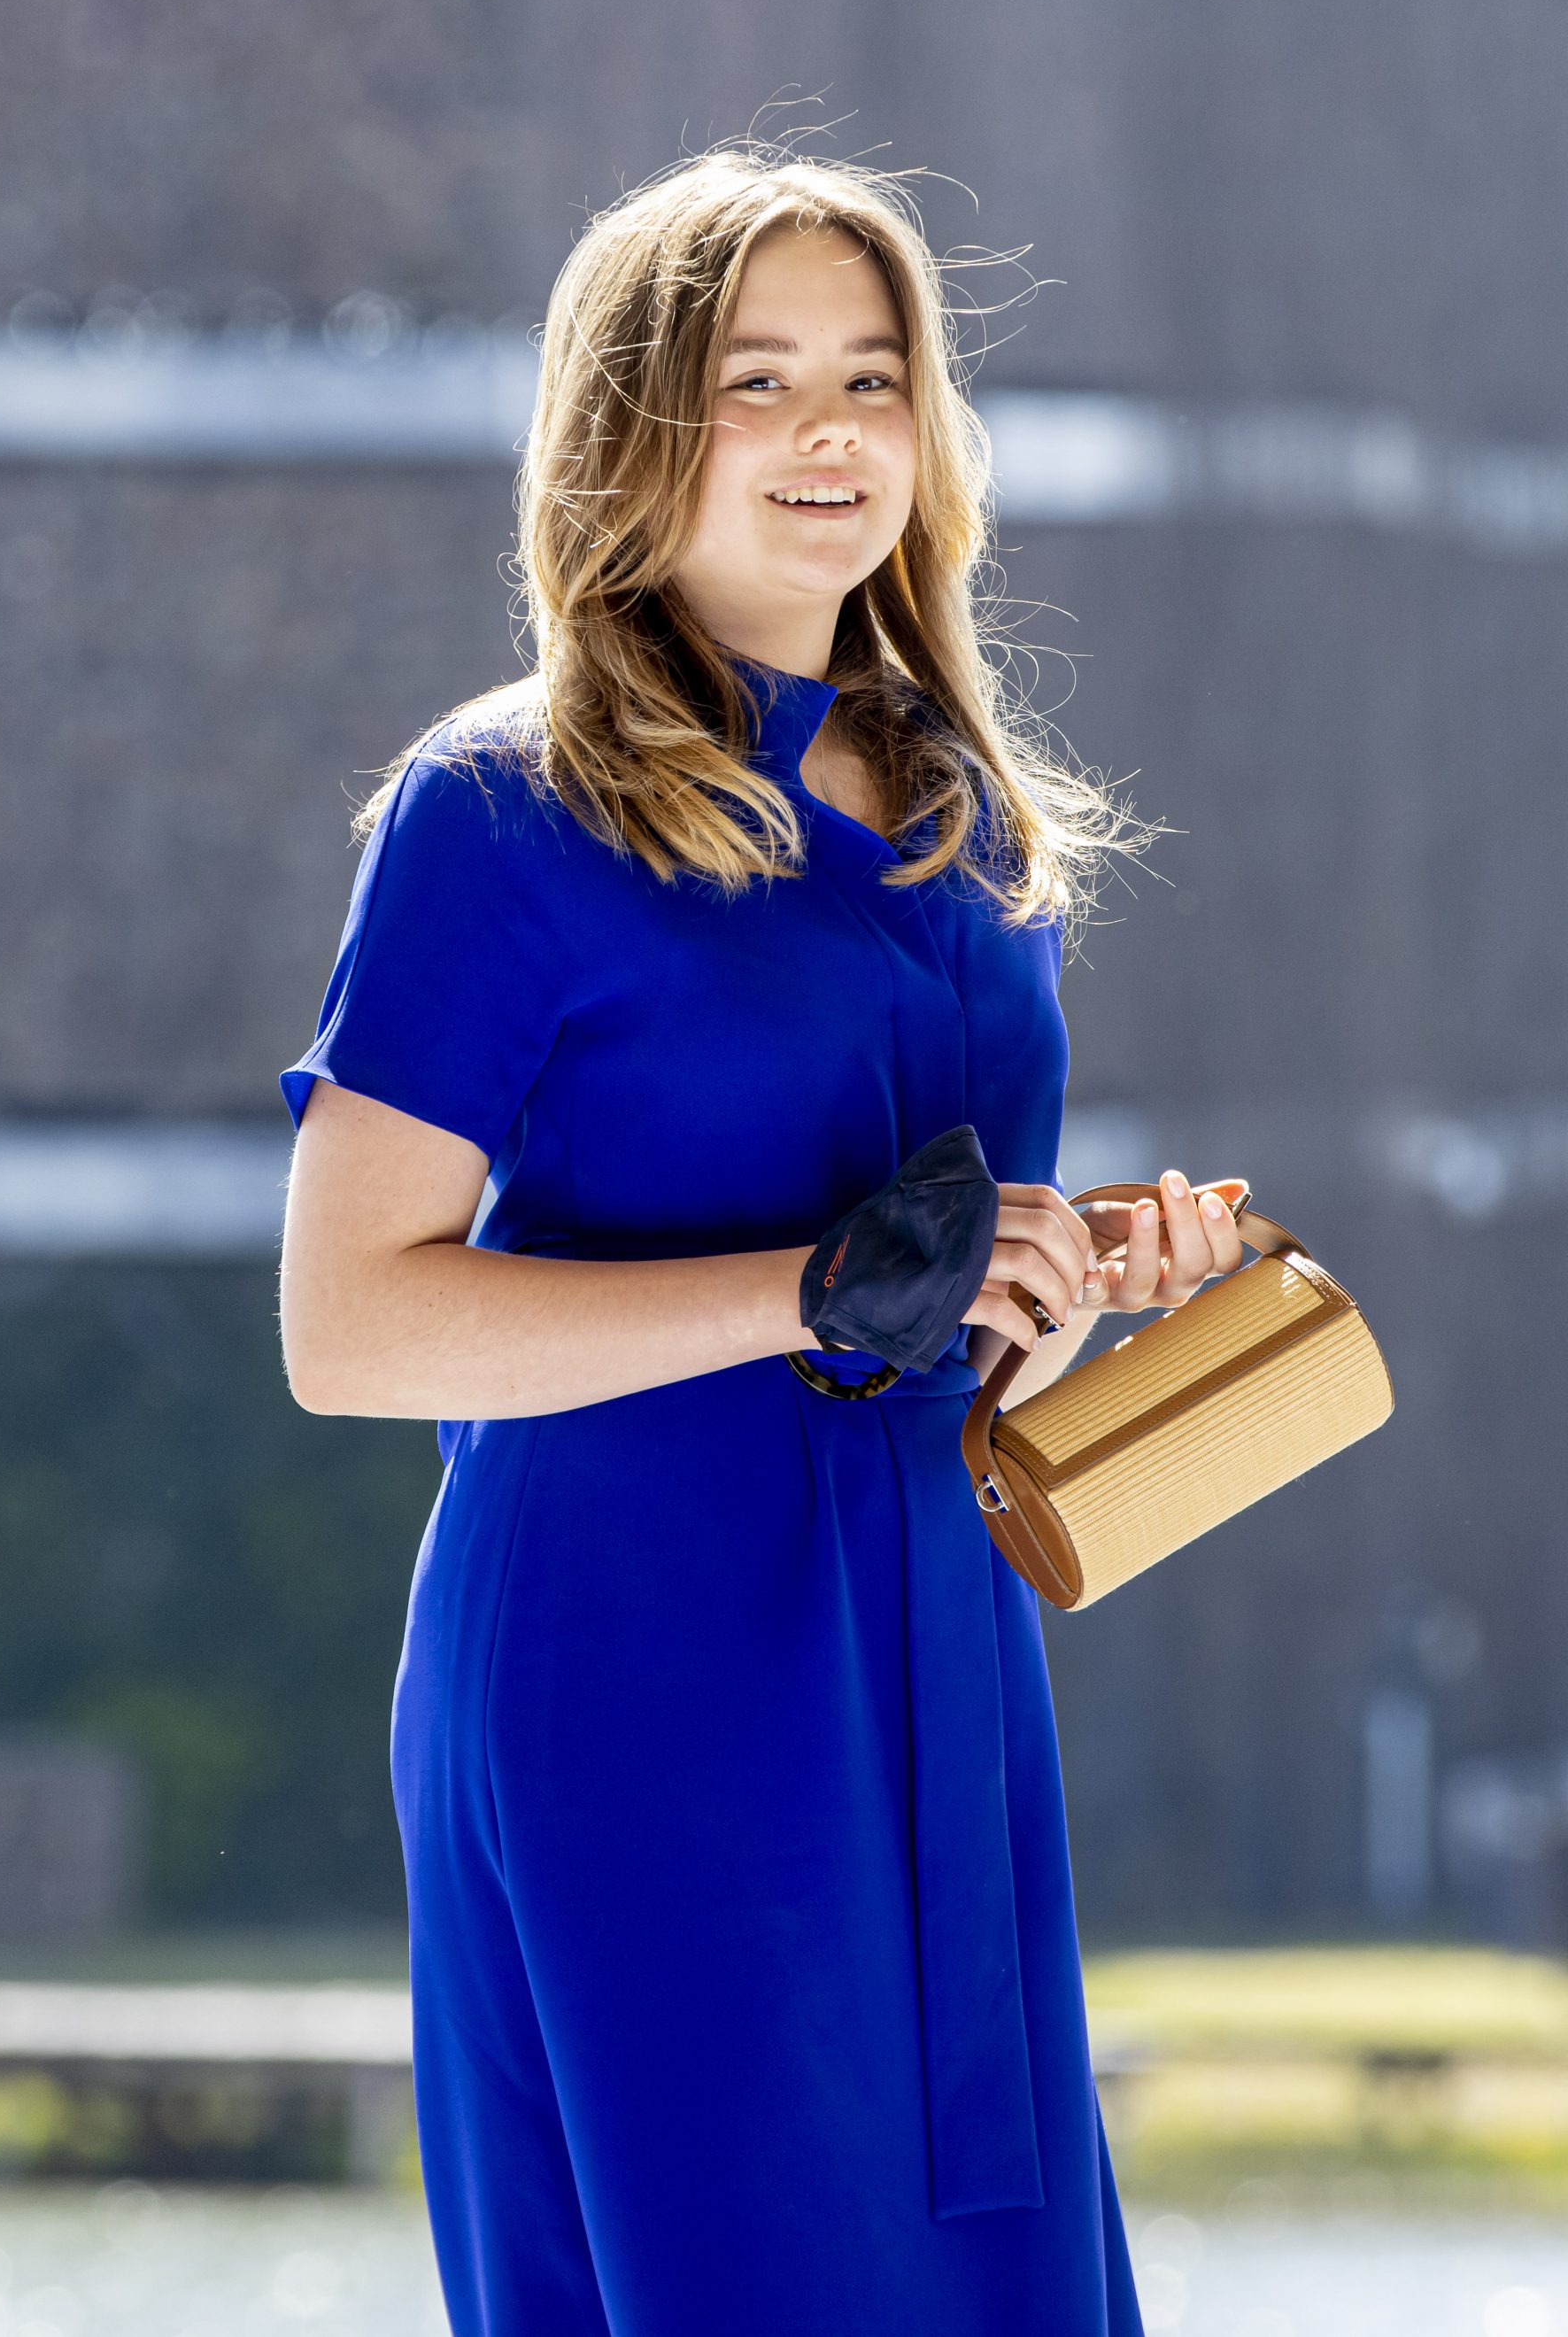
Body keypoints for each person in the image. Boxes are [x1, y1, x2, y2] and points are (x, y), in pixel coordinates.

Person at [276, 143, 1244, 2337]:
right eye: (755, 380)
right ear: (627, 430)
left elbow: (926, 1286)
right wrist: (807, 1288)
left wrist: (1074, 1274)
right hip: (635, 1661)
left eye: (876, 379)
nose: (831, 436)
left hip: (933, 1647)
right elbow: (350, 1327)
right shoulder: (499, 809)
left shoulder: (969, 819)